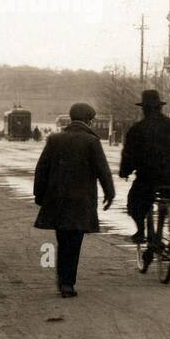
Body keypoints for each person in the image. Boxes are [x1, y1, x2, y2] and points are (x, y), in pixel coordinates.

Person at [33, 102, 115, 297]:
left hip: (58, 199)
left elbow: (41, 169)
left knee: (63, 239)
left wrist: (39, 194)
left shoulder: (55, 139)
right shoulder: (91, 141)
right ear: (88, 120)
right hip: (81, 200)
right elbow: (102, 171)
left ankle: (63, 281)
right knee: (74, 241)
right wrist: (109, 193)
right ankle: (68, 283)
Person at [120, 90, 170, 244]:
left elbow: (129, 155)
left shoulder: (137, 129)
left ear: (144, 109)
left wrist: (125, 171)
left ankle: (141, 231)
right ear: (160, 108)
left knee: (135, 202)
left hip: (148, 178)